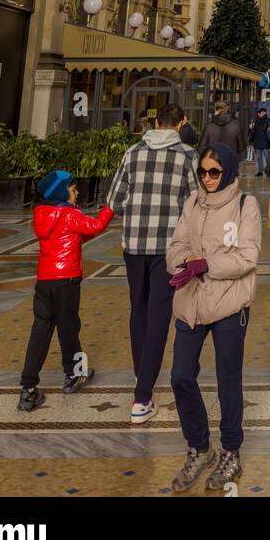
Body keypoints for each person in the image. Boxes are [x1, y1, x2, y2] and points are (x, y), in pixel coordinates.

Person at [166, 143, 261, 491]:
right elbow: (175, 245)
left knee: (227, 380)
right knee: (180, 376)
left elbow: (248, 256)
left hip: (229, 304)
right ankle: (199, 445)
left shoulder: (245, 205)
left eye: (214, 172)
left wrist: (207, 264)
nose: (207, 178)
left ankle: (230, 452)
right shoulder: (192, 202)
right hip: (190, 301)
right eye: (203, 172)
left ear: (229, 171)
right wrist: (180, 263)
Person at [106, 102, 198, 423]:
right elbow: (195, 204)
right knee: (160, 315)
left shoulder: (133, 153)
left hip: (133, 245)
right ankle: (142, 398)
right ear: (181, 123)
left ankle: (140, 375)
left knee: (139, 309)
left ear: (156, 121)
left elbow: (114, 200)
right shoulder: (187, 156)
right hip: (167, 249)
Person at [17, 171, 114, 411]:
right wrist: (112, 206)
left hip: (44, 281)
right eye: (73, 189)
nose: (77, 192)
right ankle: (74, 374)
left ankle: (28, 388)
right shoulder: (69, 214)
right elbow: (96, 224)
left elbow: (83, 232)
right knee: (69, 328)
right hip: (66, 281)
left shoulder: (40, 213)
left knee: (40, 331)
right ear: (62, 193)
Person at [251, 111, 270, 177]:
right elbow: (254, 131)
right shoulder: (257, 121)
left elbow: (269, 132)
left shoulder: (267, 121)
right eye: (260, 113)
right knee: (259, 158)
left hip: (265, 142)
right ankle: (260, 171)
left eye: (263, 113)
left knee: (267, 158)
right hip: (258, 142)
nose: (259, 114)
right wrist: (252, 140)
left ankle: (269, 170)